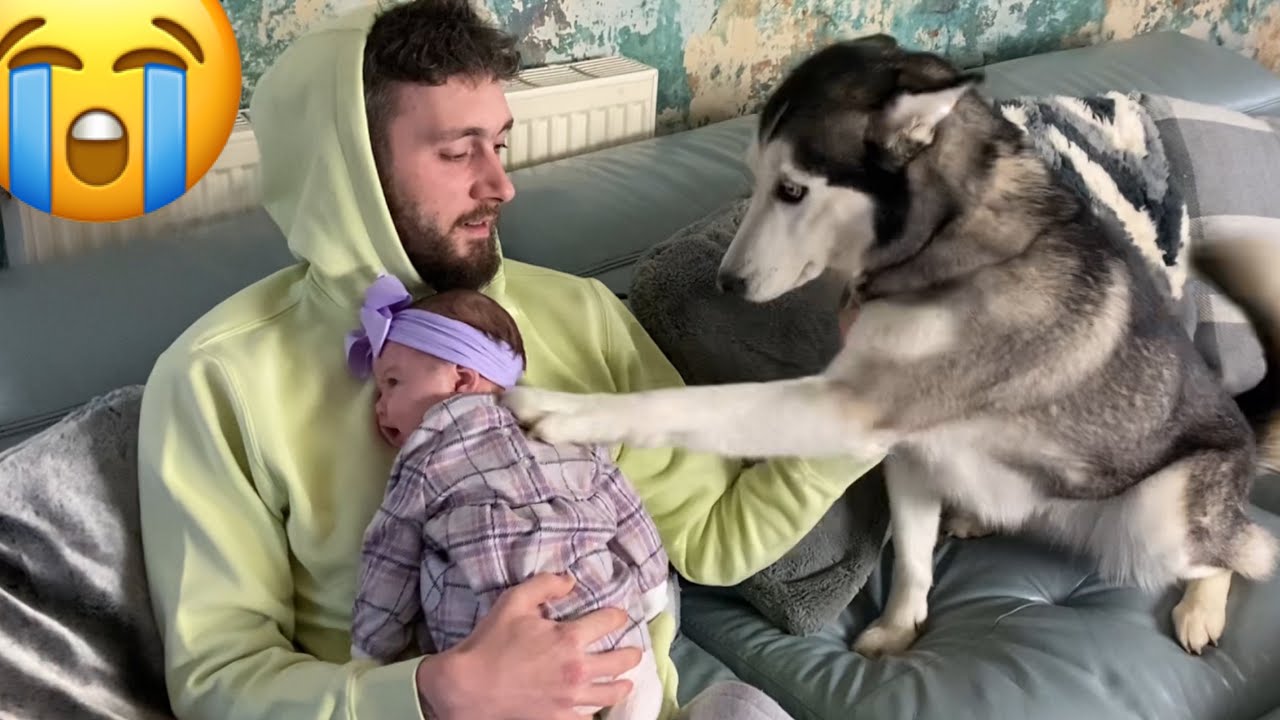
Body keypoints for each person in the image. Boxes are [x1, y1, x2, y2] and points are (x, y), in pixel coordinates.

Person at [135, 0, 878, 718]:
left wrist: (862, 406)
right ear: (349, 168)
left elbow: (715, 537)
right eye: (459, 152)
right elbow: (218, 679)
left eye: (500, 144)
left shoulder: (581, 313)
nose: (500, 185)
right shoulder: (215, 380)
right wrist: (429, 695)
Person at [345, 275, 673, 720]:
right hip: (610, 626)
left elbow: (390, 554)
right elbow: (625, 508)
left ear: (461, 378)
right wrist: (652, 588)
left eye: (392, 383)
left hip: (501, 641)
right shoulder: (562, 427)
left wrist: (371, 649)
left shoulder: (428, 456)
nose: (379, 405)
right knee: (639, 694)